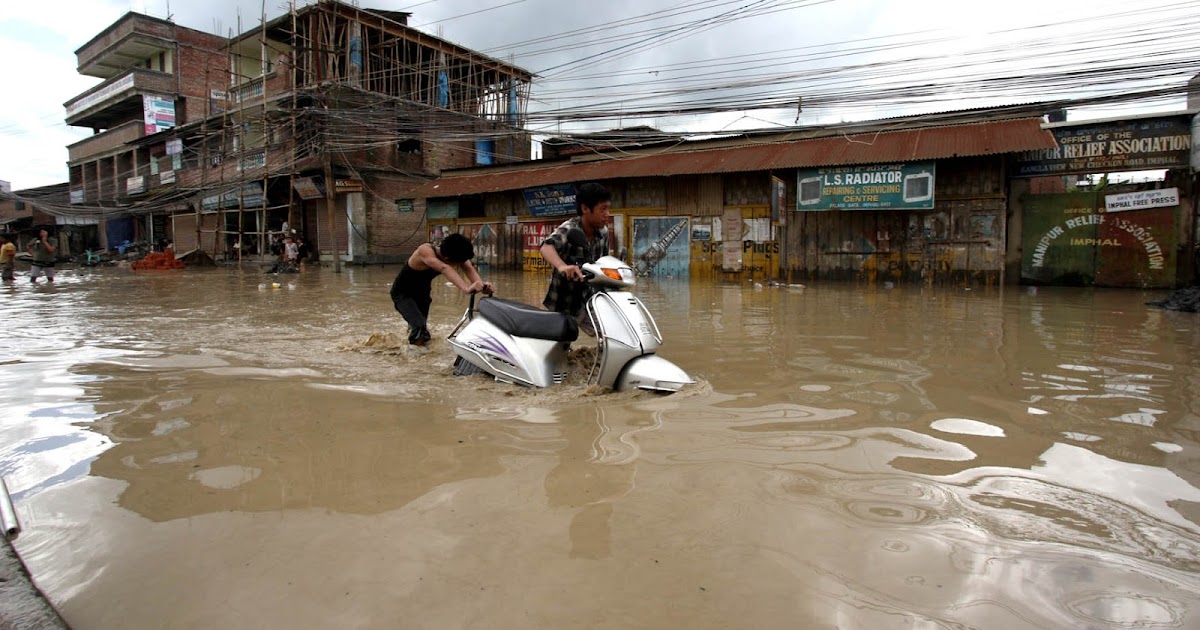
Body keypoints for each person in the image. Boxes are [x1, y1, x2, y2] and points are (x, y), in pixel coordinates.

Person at [390, 233, 493, 346]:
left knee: (420, 328)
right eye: (458, 264)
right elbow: (444, 268)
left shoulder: (452, 255)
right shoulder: (425, 251)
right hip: (403, 293)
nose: (460, 265)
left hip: (422, 294)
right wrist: (466, 288)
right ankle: (412, 354)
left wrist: (482, 286)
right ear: (447, 259)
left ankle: (415, 347)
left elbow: (468, 268)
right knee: (420, 329)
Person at [539, 182, 614, 333]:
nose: (607, 214)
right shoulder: (569, 228)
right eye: (602, 209)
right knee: (559, 342)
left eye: (608, 209)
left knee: (610, 332)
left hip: (589, 299)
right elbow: (546, 247)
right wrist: (562, 266)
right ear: (585, 209)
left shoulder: (603, 232)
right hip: (563, 301)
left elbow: (604, 263)